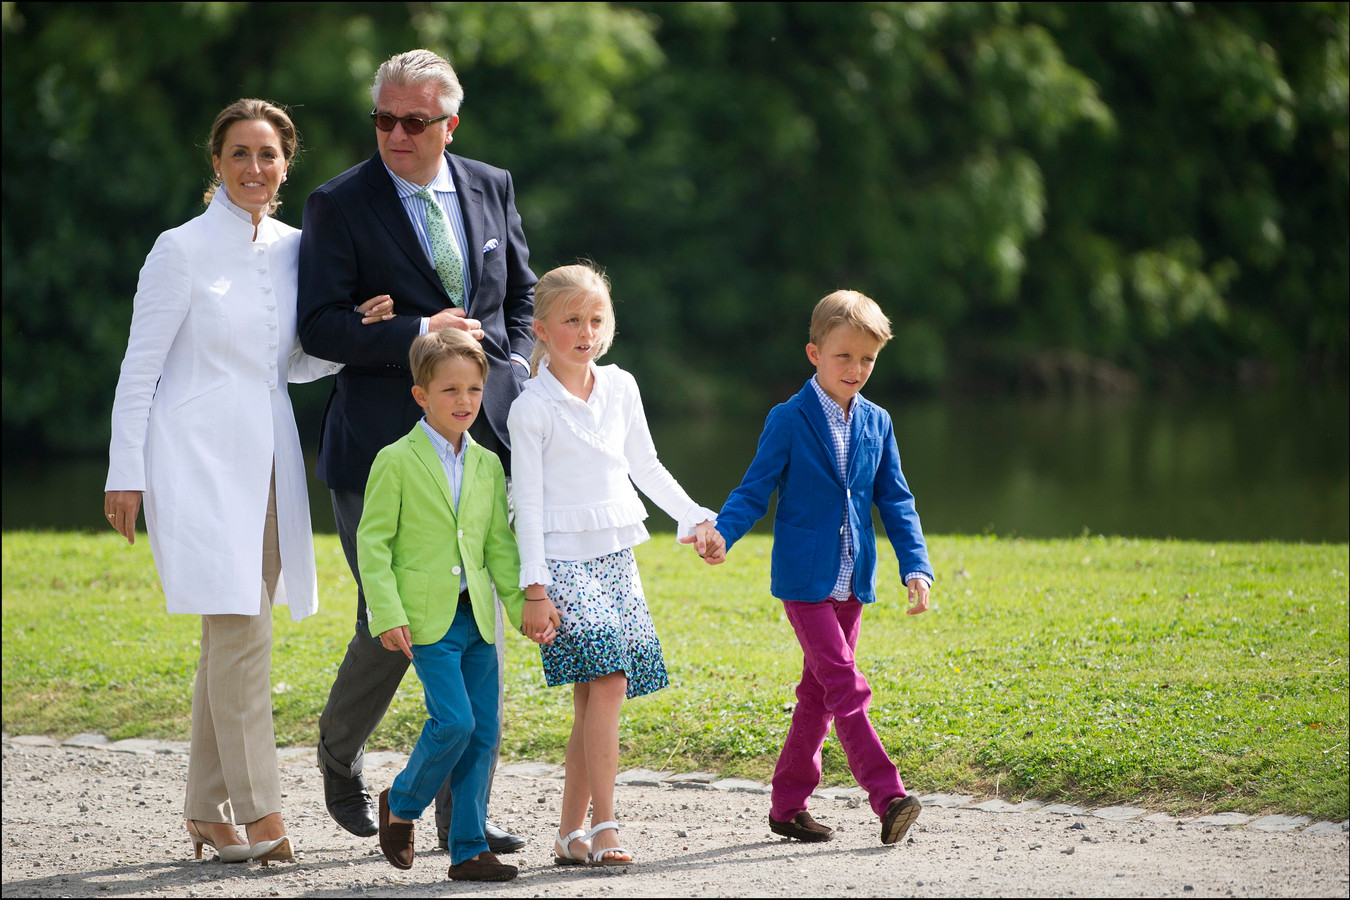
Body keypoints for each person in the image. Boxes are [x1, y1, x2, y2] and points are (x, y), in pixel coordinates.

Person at [103, 99, 393, 866]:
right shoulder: (179, 249)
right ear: (217, 162)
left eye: (268, 155)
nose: (254, 168)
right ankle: (261, 811)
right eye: (239, 154)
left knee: (231, 635)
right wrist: (123, 472)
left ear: (286, 164)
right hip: (191, 458)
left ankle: (204, 808)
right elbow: (140, 369)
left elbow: (290, 362)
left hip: (268, 460)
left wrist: (353, 340)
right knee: (243, 634)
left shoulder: (299, 248)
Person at [297, 49, 536, 852]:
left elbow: (523, 301)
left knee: (476, 621)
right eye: (384, 119)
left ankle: (461, 816)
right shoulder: (338, 202)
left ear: (450, 123)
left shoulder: (492, 185)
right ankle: (338, 751)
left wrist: (506, 359)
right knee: (390, 622)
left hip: (484, 440)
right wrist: (416, 331)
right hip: (378, 447)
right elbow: (321, 327)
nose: (395, 134)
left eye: (414, 120)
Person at [507, 263, 724, 868]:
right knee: (607, 683)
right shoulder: (531, 409)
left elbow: (645, 466)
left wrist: (695, 518)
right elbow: (526, 503)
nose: (585, 330)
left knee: (592, 699)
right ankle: (606, 824)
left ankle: (567, 833)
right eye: (571, 320)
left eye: (595, 319)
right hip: (559, 564)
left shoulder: (622, 387)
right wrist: (533, 588)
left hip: (615, 557)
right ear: (542, 329)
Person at [708, 289, 935, 847]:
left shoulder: (878, 423)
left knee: (818, 696)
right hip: (804, 584)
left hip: (852, 581)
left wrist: (916, 567)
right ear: (814, 353)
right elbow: (753, 489)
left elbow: (896, 501)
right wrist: (723, 533)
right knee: (846, 686)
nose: (856, 369)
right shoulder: (787, 419)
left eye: (867, 359)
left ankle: (787, 807)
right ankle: (889, 797)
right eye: (844, 357)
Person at [360, 329, 557, 882]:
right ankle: (401, 803)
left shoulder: (489, 465)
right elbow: (373, 545)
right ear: (422, 394)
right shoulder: (394, 460)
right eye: (450, 389)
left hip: (480, 621)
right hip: (426, 620)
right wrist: (387, 611)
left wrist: (522, 604)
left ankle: (469, 849)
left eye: (473, 389)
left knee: (485, 732)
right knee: (455, 722)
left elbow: (498, 543)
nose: (465, 401)